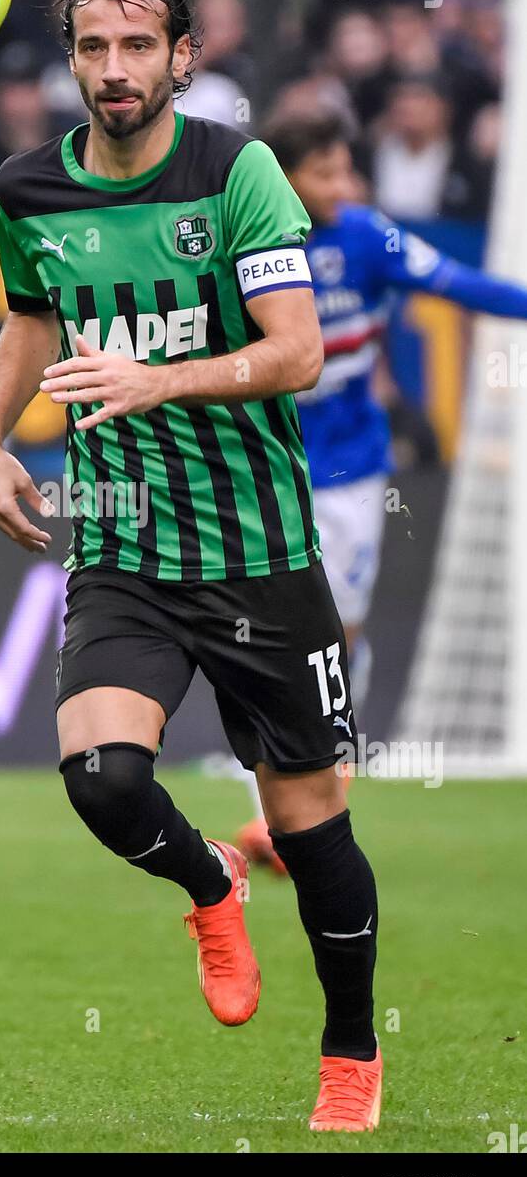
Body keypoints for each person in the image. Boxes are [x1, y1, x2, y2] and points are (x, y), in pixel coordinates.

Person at [0, 0, 382, 1133]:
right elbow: (29, 316)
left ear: (181, 57)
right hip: (119, 537)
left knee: (315, 832)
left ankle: (349, 1051)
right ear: (71, 62)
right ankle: (209, 880)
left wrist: (160, 379)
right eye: (93, 48)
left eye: (136, 47)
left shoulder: (234, 170)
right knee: (102, 781)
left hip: (257, 546)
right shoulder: (28, 189)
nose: (113, 70)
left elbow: (296, 350)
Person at [237, 108, 527, 868]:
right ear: (284, 177)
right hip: (262, 468)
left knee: (338, 637)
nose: (343, 185)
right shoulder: (247, 238)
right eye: (325, 172)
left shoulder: (368, 238)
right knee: (266, 639)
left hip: (352, 471)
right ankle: (272, 815)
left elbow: (460, 283)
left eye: (346, 170)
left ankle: (325, 785)